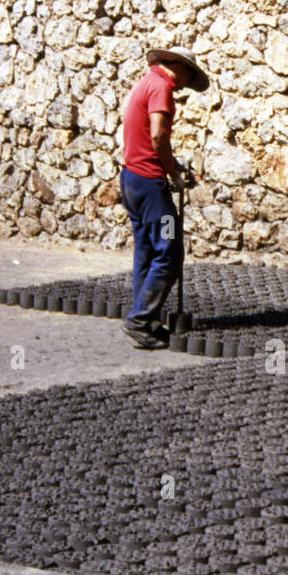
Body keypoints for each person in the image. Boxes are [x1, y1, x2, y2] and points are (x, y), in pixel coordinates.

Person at [118, 46, 210, 349]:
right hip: (152, 188)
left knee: (146, 250)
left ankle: (144, 316)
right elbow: (158, 135)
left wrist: (171, 164)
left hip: (132, 181)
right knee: (169, 250)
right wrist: (172, 174)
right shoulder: (161, 87)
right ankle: (141, 320)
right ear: (180, 69)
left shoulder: (144, 82)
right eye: (188, 76)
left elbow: (148, 138)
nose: (185, 84)